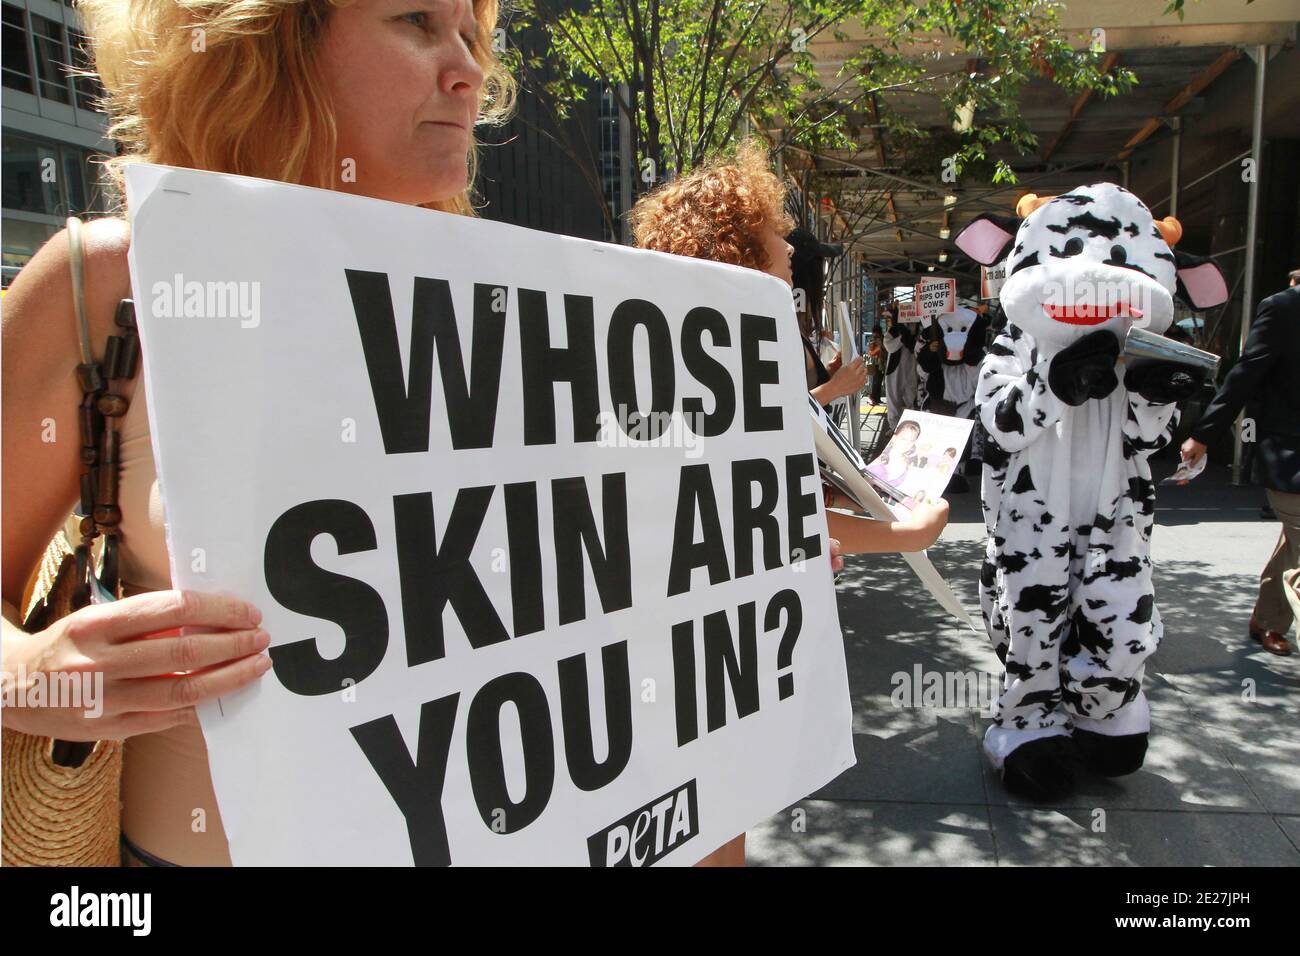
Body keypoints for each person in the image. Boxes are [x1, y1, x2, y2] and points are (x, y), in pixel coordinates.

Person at [2, 0, 517, 866]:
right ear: (273, 46)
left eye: (472, 35)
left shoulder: (507, 306)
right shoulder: (105, 288)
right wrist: (32, 676)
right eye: (418, 22)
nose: (468, 72)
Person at [630, 140, 949, 865]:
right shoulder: (710, 378)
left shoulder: (682, 366)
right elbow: (747, 521)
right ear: (734, 260)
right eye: (776, 254)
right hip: (699, 655)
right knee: (713, 826)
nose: (790, 270)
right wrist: (900, 533)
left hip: (704, 646)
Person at [1181, 274, 1300, 656]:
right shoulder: (1283, 308)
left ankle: (1268, 620)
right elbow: (1245, 375)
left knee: (1292, 547)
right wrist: (1204, 435)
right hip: (1290, 454)